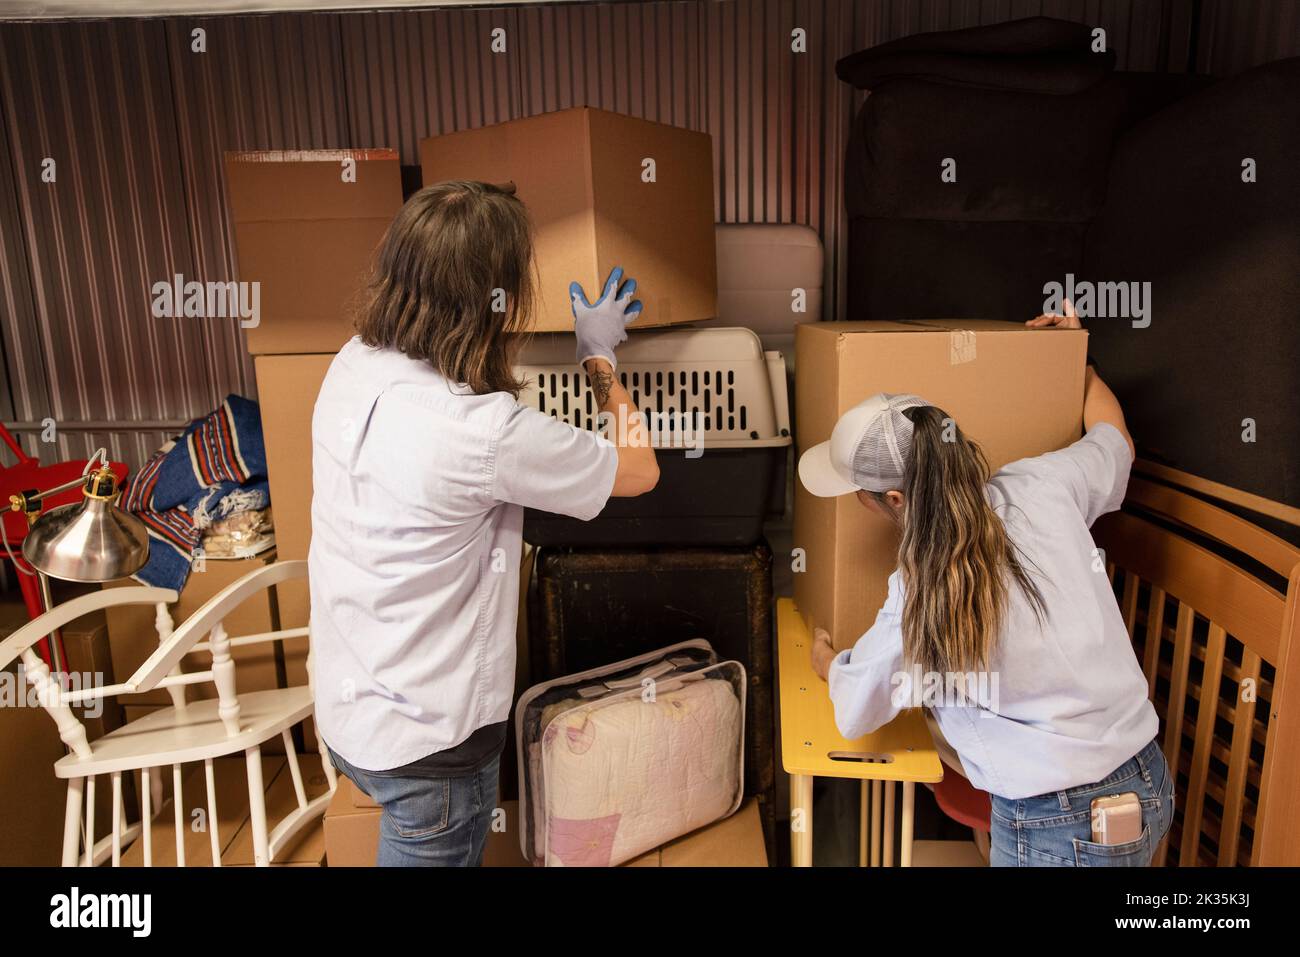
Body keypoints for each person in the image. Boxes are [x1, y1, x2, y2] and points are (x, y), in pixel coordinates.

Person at [308, 181, 659, 866]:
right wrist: (600, 362)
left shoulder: (351, 365)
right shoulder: (483, 433)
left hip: (349, 714)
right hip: (429, 751)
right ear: (493, 298)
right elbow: (639, 468)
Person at [798, 302, 1174, 866]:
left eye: (860, 492)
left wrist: (829, 661)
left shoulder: (919, 589)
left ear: (893, 500)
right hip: (1148, 778)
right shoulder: (1045, 482)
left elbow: (857, 710)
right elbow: (1114, 440)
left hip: (1059, 818)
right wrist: (1081, 365)